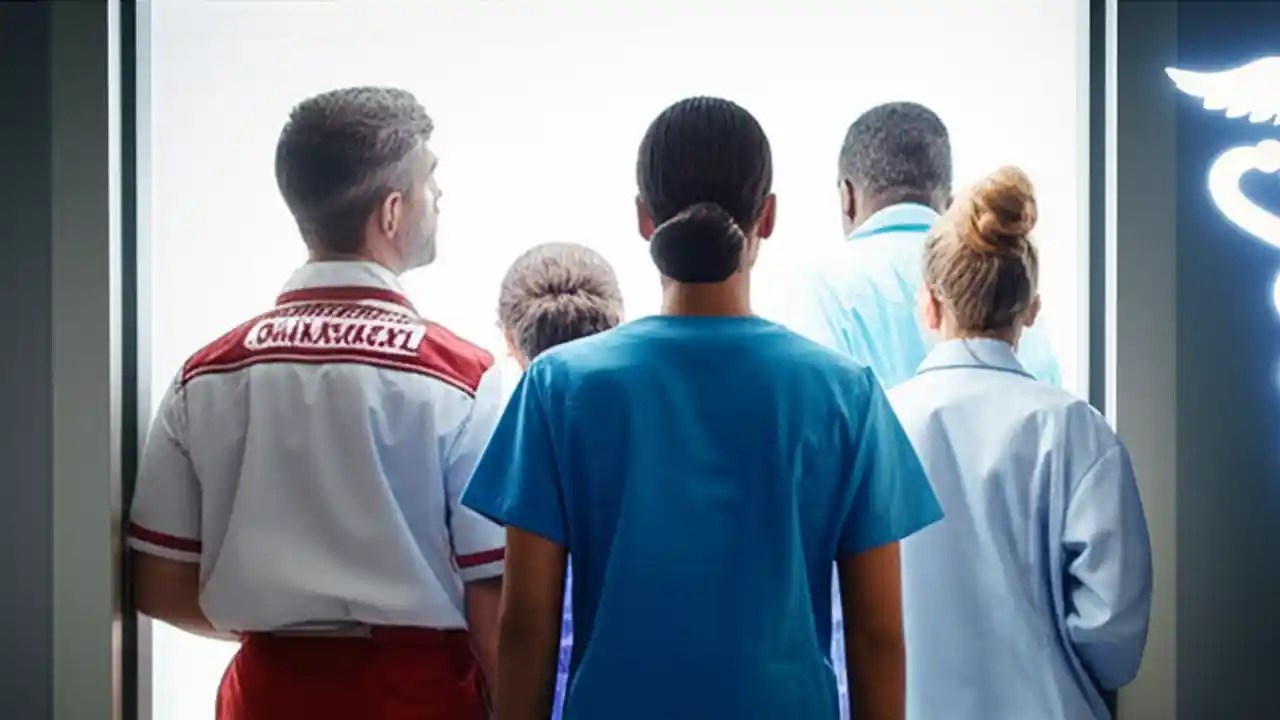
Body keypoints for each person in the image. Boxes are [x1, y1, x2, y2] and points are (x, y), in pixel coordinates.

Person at [462, 96, 943, 720]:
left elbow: (526, 623)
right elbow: (876, 636)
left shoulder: (558, 388)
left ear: (644, 218)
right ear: (767, 216)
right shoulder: (845, 394)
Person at [127, 87, 505, 720]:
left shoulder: (207, 374)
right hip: (415, 695)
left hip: (266, 692)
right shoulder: (463, 380)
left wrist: (283, 618)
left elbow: (159, 583)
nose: (439, 196)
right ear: (391, 212)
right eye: (429, 180)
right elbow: (491, 597)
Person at [889, 167, 1152, 720]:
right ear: (1031, 309)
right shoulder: (1077, 431)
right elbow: (1113, 636)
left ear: (929, 304)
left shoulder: (879, 424)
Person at [770, 101, 1061, 388]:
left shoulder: (819, 288)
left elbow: (814, 405)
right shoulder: (1011, 285)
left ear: (847, 198)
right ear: (951, 204)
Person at [495, 241, 625, 720]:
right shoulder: (649, 439)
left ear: (510, 341)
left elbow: (516, 622)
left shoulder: (502, 457)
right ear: (619, 323)